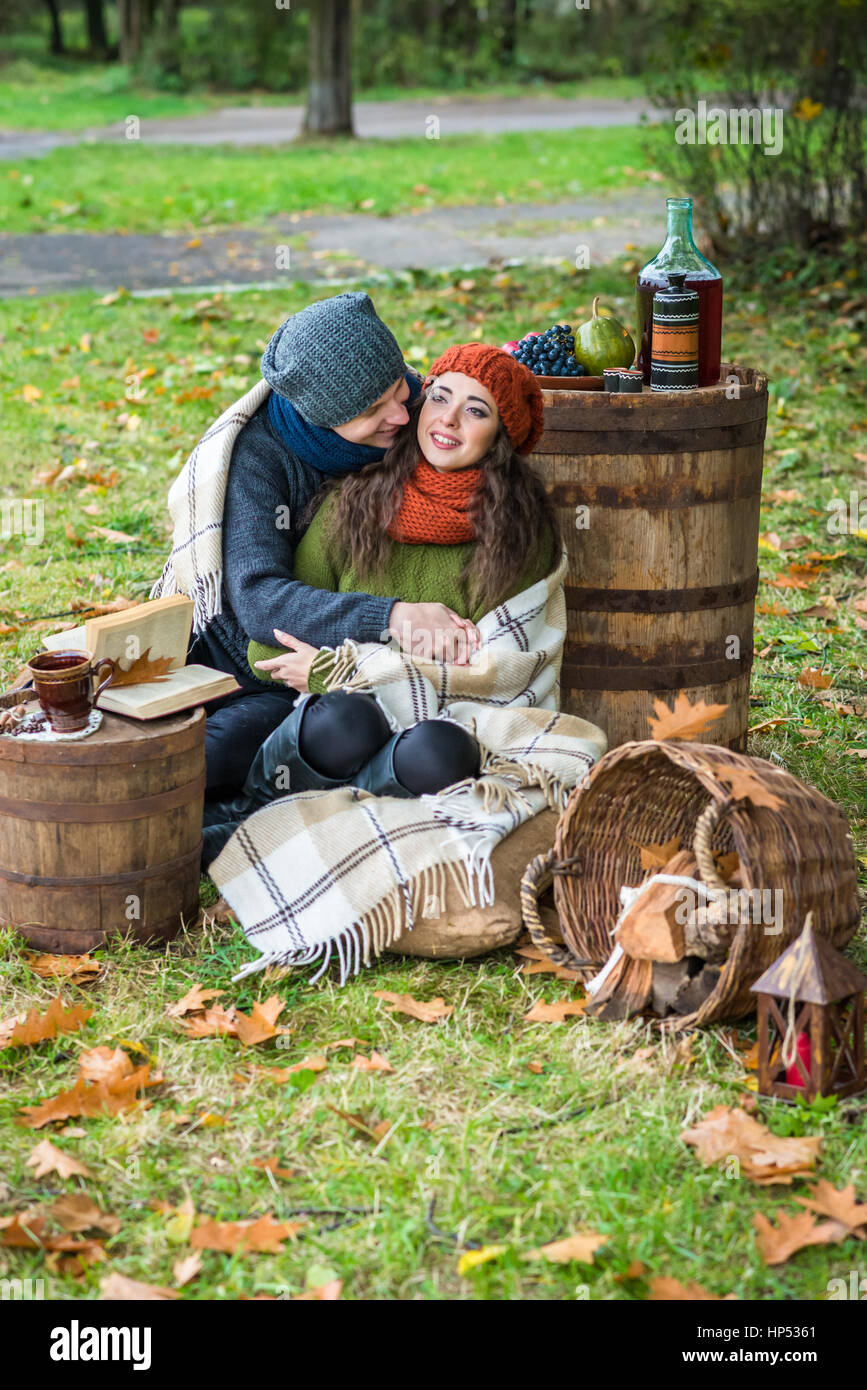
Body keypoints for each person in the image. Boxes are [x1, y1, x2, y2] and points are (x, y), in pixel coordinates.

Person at [201, 342, 560, 863]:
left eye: (477, 410)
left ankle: (273, 830)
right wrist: (381, 650)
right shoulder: (354, 501)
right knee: (346, 718)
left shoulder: (520, 535)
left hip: (429, 732)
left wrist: (352, 668)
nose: (450, 419)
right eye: (440, 398)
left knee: (442, 749)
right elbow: (266, 647)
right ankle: (258, 822)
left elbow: (498, 674)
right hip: (334, 730)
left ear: (502, 434)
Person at [149, 291, 479, 805]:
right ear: (322, 419)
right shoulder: (260, 460)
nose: (399, 412)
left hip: (362, 667)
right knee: (197, 757)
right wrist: (393, 617)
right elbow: (259, 602)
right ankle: (254, 809)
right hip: (255, 668)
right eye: (373, 410)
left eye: (399, 387)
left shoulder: (421, 408)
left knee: (362, 731)